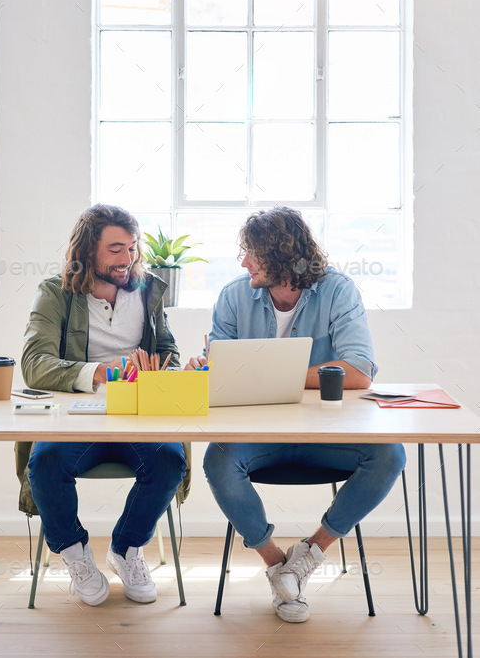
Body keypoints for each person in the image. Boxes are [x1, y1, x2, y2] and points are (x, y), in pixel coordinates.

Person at [186, 206, 405, 624]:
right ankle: (277, 565)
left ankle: (309, 554)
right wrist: (207, 371)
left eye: (252, 253)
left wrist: (271, 376)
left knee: (390, 454)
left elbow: (358, 371)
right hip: (260, 437)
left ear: (280, 256)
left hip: (326, 435)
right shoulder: (234, 296)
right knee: (217, 460)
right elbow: (220, 372)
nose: (243, 262)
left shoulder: (338, 291)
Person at [20, 204, 187, 607]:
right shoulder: (56, 293)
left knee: (169, 462)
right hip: (78, 415)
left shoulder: (148, 290)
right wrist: (98, 372)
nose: (126, 259)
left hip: (137, 413)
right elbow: (33, 364)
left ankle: (127, 549)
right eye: (115, 249)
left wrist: (168, 373)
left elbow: (168, 351)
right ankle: (75, 554)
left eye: (131, 248)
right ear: (88, 249)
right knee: (44, 465)